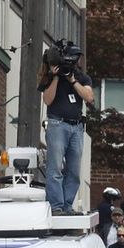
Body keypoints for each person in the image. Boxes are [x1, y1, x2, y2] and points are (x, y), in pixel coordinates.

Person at [39, 44, 94, 215]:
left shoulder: (82, 77)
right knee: (55, 167)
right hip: (57, 124)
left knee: (73, 170)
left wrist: (72, 80)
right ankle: (56, 206)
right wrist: (56, 77)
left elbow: (89, 97)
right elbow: (47, 100)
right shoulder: (50, 77)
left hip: (76, 127)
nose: (73, 62)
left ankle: (67, 206)